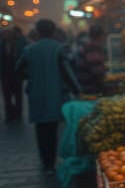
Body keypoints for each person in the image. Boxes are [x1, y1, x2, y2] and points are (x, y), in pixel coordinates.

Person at [17, 19, 81, 176]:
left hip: (36, 95)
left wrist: (32, 77)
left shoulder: (29, 50)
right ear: (53, 32)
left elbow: (19, 70)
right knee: (52, 129)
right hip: (56, 94)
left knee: (41, 128)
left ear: (38, 32)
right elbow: (67, 72)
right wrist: (77, 91)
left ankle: (46, 162)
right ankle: (51, 162)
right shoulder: (60, 48)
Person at [0, 28, 25, 122]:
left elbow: (23, 58)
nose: (7, 35)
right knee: (7, 95)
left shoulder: (18, 45)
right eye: (5, 33)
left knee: (18, 95)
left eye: (9, 33)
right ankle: (8, 114)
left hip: (16, 74)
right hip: (4, 74)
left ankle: (18, 113)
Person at [74, 25, 107, 95]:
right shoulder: (92, 47)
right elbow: (97, 71)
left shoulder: (86, 45)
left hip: (83, 83)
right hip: (89, 85)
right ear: (100, 36)